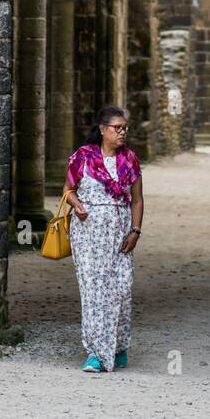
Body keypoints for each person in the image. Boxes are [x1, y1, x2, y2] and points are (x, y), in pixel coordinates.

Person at [63, 104, 144, 372]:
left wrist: (135, 230)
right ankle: (95, 353)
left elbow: (138, 199)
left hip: (119, 233)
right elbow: (68, 190)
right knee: (94, 292)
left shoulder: (130, 159)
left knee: (121, 289)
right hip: (88, 235)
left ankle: (119, 345)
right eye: (116, 128)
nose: (122, 133)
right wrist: (77, 205)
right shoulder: (82, 157)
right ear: (102, 129)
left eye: (125, 128)